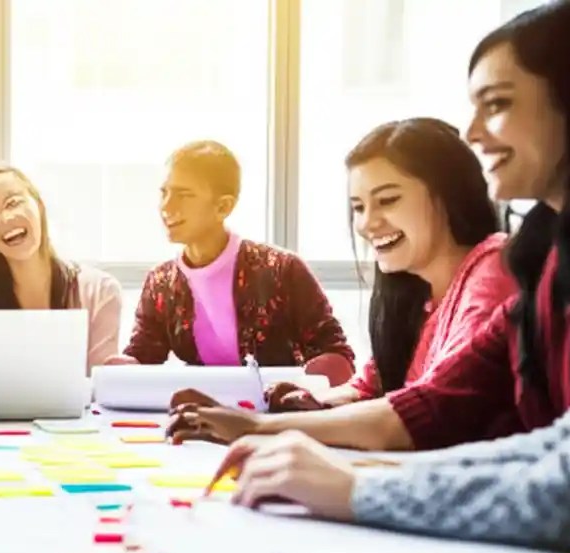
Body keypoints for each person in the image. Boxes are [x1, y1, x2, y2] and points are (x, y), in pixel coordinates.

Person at [202, 0, 570, 553]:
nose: (472, 132)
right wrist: (269, 432)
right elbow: (546, 442)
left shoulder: (496, 267)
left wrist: (357, 486)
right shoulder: (552, 264)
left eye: (496, 104)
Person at [169, 119, 516, 436]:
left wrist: (258, 428)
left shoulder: (492, 264)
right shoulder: (414, 294)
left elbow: (433, 408)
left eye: (388, 200)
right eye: (359, 207)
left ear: (449, 193)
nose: (367, 224)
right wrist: (305, 403)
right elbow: (366, 390)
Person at [105, 141, 354, 385]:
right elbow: (143, 355)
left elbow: (336, 354)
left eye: (183, 195)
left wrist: (305, 385)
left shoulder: (282, 270)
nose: (166, 206)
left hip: (280, 414)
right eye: (164, 193)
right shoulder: (160, 283)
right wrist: (117, 371)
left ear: (223, 207)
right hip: (202, 413)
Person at [0, 164, 122, 371]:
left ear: (39, 206)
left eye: (13, 203)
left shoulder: (100, 290)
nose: (6, 218)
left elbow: (99, 386)